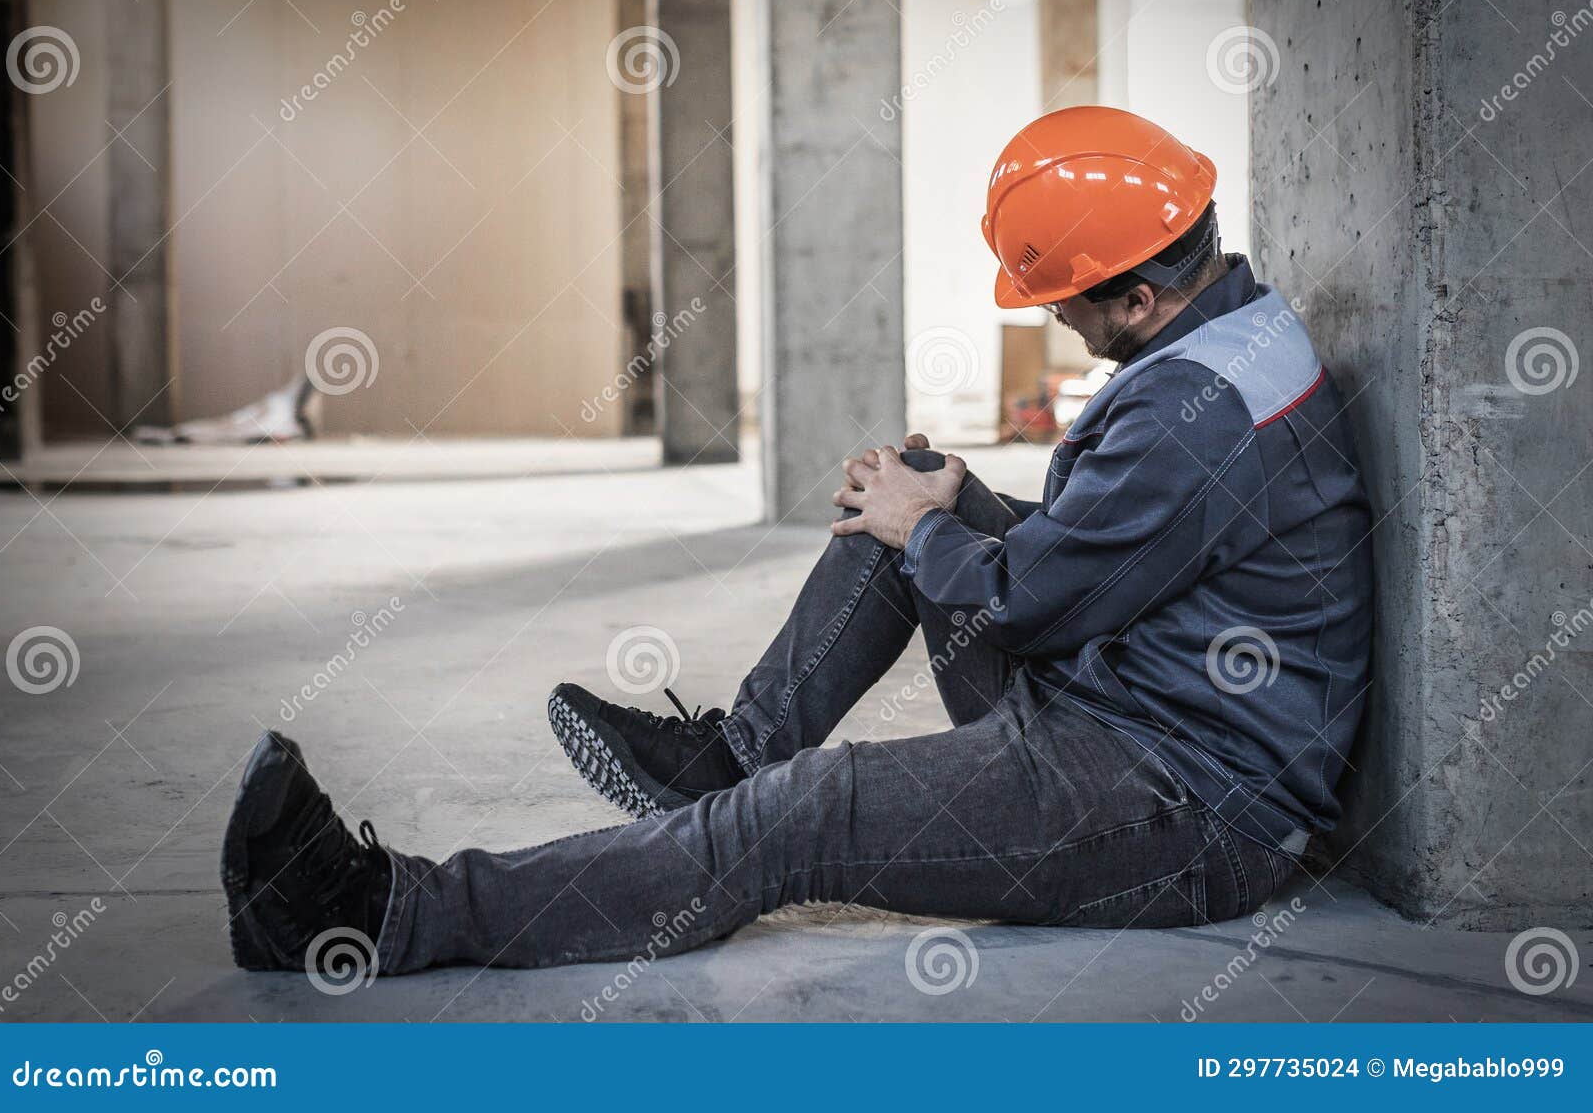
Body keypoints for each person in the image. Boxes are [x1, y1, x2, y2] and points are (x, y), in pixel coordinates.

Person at [221, 106, 1372, 977]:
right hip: (1126, 692)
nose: (1056, 322)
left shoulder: (1188, 414)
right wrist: (947, 502)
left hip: (1182, 807)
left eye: (1062, 302)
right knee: (903, 507)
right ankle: (734, 754)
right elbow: (1120, 559)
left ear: (1133, 298)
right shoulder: (1227, 342)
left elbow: (1028, 604)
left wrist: (935, 530)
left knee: (807, 814)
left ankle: (379, 912)